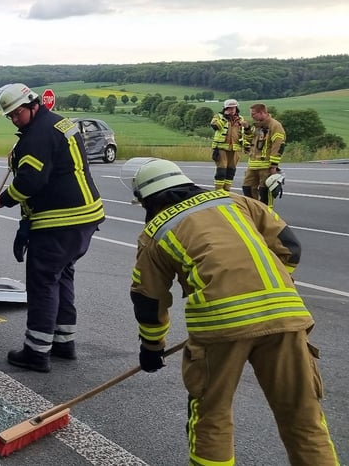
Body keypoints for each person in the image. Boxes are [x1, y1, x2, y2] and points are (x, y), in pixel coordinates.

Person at [126, 157, 339, 466]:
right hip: (285, 315)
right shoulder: (236, 201)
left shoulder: (156, 232)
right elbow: (289, 247)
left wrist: (151, 347)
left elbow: (149, 300)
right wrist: (280, 282)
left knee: (212, 415)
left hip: (220, 326)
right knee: (303, 418)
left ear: (147, 199)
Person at [0, 83, 104, 372]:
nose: (14, 119)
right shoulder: (58, 123)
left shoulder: (36, 137)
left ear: (33, 105)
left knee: (42, 282)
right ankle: (64, 343)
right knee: (62, 277)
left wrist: (2, 200)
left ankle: (36, 352)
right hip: (85, 218)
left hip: (59, 221)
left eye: (17, 114)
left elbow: (30, 182)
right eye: (10, 116)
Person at [243, 103, 286, 207]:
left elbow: (278, 145)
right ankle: (255, 211)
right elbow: (251, 139)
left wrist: (274, 165)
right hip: (253, 164)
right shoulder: (257, 125)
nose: (252, 117)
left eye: (253, 114)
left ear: (262, 112)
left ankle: (268, 215)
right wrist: (247, 129)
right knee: (247, 188)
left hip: (266, 165)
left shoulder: (275, 125)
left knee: (264, 192)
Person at [209, 98, 250, 191]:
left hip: (235, 148)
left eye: (233, 108)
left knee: (231, 171)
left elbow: (243, 134)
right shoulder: (218, 116)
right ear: (225, 109)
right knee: (221, 170)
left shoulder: (241, 119)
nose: (232, 110)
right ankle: (218, 191)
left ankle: (227, 190)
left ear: (236, 108)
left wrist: (246, 145)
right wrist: (225, 118)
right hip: (221, 148)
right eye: (229, 108)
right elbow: (215, 127)